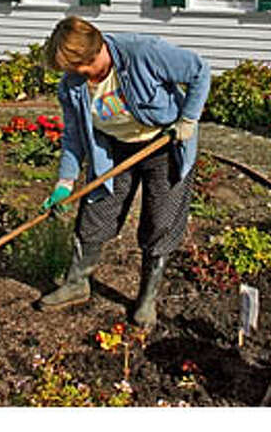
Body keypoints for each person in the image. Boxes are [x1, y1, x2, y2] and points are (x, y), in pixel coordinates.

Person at [37, 16, 210, 328]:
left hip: (163, 145)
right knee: (96, 212)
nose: (76, 77)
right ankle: (77, 283)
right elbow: (74, 137)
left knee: (161, 221)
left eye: (79, 69)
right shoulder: (73, 84)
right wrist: (64, 183)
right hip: (114, 150)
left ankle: (146, 299)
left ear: (96, 52)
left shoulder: (144, 52)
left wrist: (188, 119)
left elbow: (200, 71)